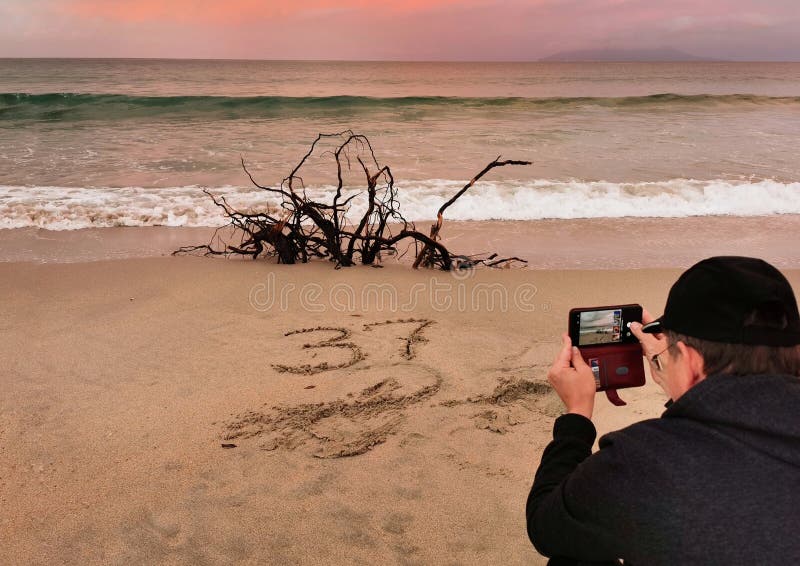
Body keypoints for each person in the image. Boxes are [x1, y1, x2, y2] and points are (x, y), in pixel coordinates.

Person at [525, 256, 800, 565]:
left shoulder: (643, 459)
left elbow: (545, 524)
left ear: (691, 360)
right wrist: (681, 385)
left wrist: (576, 415)